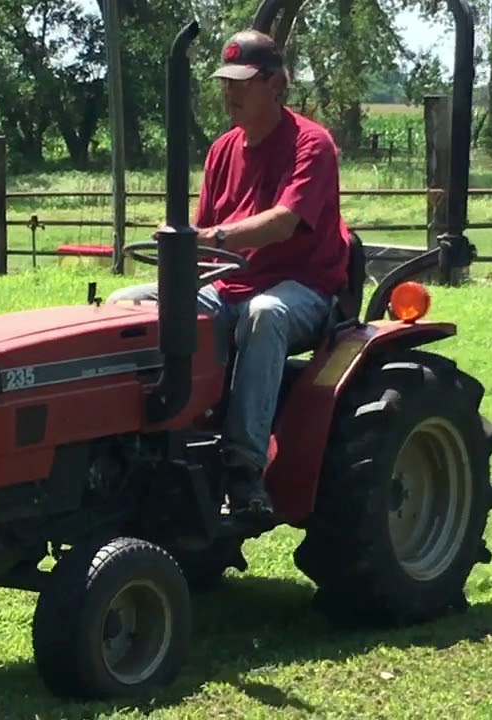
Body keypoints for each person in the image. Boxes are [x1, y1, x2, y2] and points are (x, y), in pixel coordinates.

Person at [107, 29, 351, 519]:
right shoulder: (222, 150)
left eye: (242, 82)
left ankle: (243, 467)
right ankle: (146, 445)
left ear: (276, 83)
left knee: (264, 314)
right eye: (225, 82)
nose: (230, 93)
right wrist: (175, 275)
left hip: (305, 287)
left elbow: (283, 223)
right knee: (127, 305)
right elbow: (200, 237)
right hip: (229, 283)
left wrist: (211, 239)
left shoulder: (311, 144)